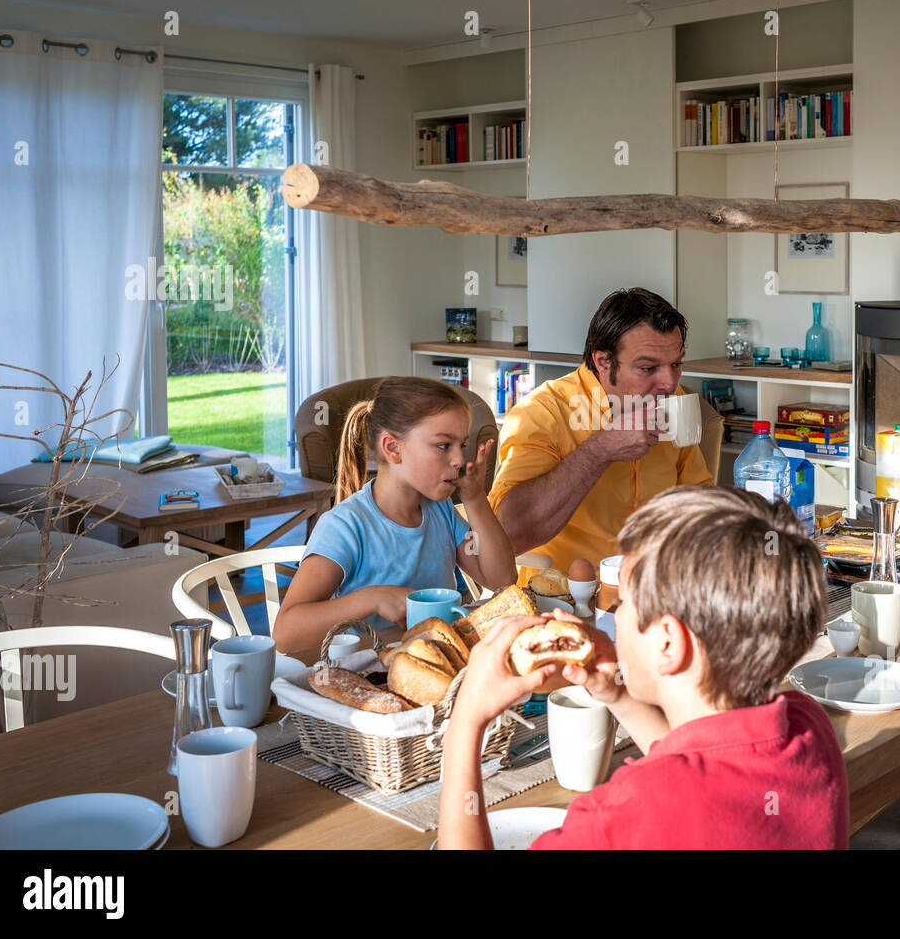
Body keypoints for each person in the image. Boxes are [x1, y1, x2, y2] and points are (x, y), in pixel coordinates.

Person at [437, 485, 849, 849]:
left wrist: (465, 723)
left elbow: (668, 792)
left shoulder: (625, 812)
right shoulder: (808, 727)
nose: (613, 616)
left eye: (621, 604)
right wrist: (617, 693)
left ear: (667, 642)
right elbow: (699, 763)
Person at [272, 378, 516, 654]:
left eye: (462, 445)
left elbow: (501, 581)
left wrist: (475, 498)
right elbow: (285, 633)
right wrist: (372, 598)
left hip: (435, 663)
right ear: (393, 448)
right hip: (370, 673)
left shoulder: (441, 511)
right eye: (443, 445)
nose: (459, 459)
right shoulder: (345, 526)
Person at [489, 288, 713, 577]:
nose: (669, 383)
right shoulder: (543, 412)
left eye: (676, 364)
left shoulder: (671, 401)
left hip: (652, 592)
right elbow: (509, 534)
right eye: (648, 368)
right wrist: (601, 449)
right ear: (604, 362)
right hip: (563, 598)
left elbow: (698, 499)